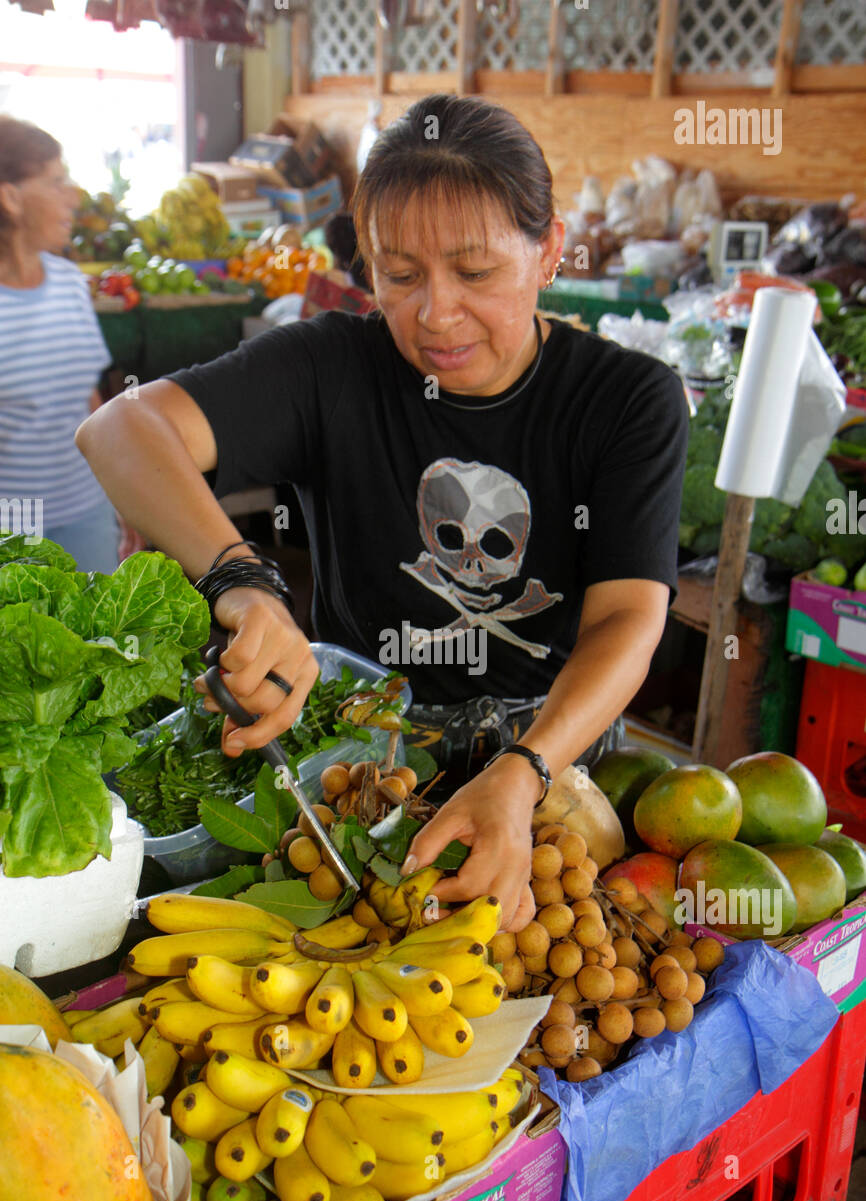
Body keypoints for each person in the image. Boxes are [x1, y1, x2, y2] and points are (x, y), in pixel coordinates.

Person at [77, 95, 688, 932]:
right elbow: (120, 427)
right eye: (399, 275)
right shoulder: (332, 367)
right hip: (359, 778)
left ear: (547, 252)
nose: (435, 312)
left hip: (557, 783)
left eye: (474, 272)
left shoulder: (624, 399)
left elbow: (627, 618)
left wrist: (524, 770)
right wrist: (244, 583)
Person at [0, 116, 120, 572]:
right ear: (10, 197)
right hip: (12, 523)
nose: (72, 196)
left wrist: (121, 496)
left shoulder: (71, 283)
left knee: (98, 641)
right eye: (56, 182)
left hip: (86, 508)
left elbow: (90, 402)